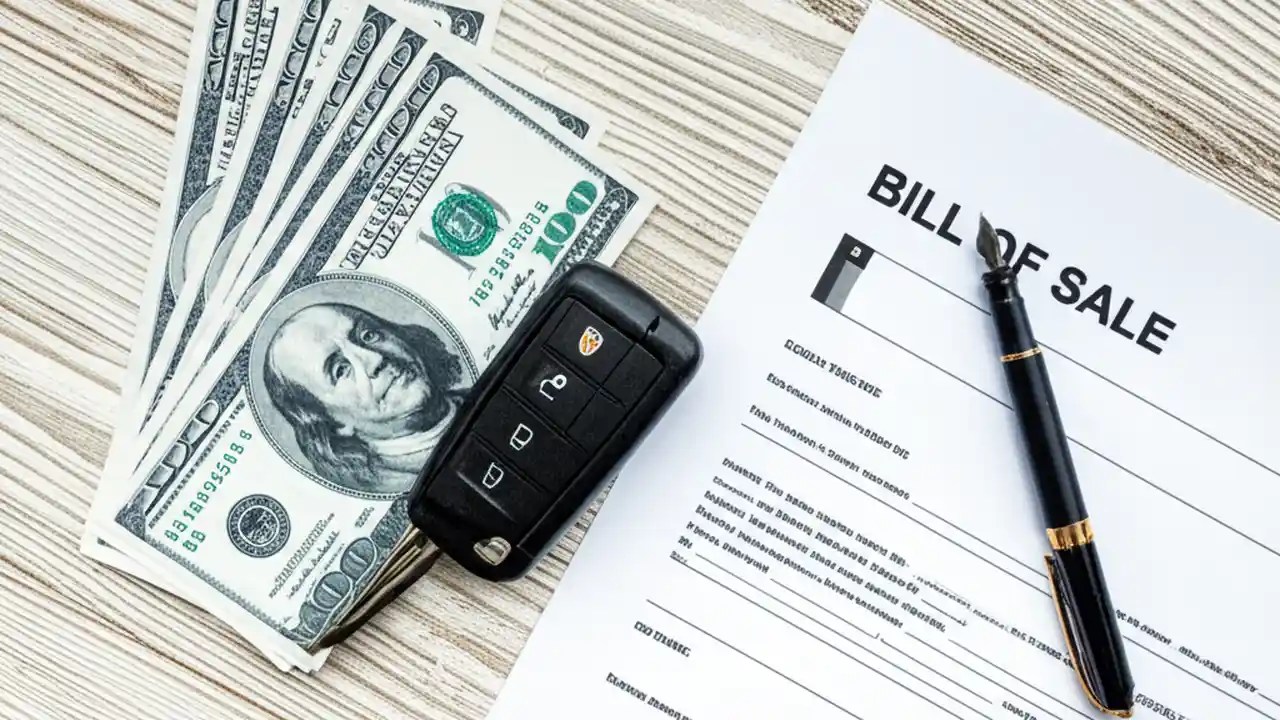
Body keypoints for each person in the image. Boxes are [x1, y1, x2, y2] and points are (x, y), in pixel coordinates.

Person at [264, 302, 468, 494]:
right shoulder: (397, 486)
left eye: (368, 335)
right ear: (333, 423)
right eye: (341, 370)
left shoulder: (479, 394)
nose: (376, 359)